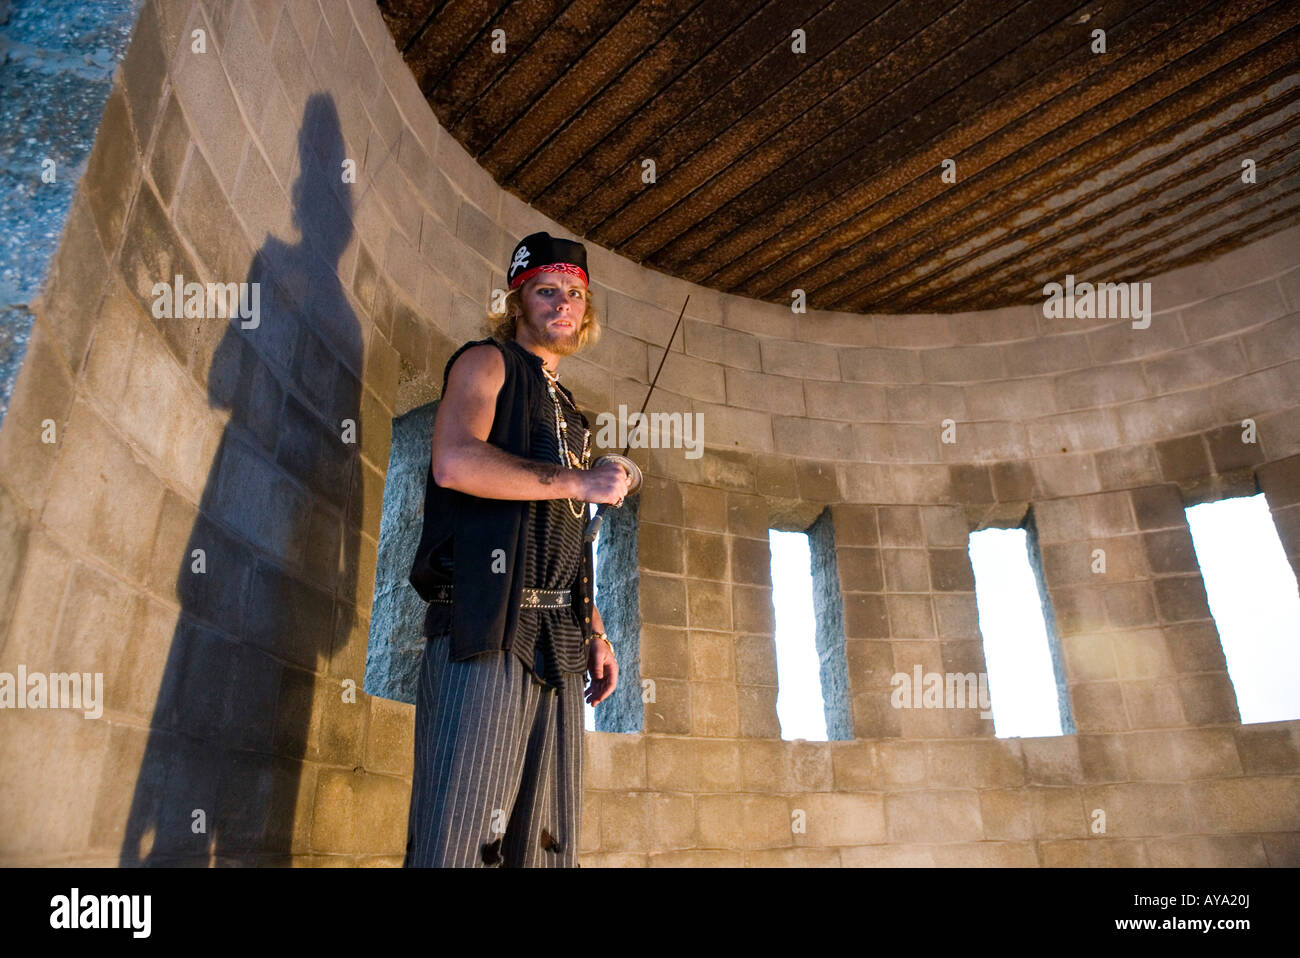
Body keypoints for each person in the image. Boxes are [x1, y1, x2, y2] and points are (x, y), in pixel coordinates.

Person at [402, 231, 632, 867]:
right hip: (485, 625)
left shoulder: (572, 415)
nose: (563, 303)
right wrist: (580, 481)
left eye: (575, 294)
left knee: (547, 846)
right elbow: (454, 461)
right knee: (463, 839)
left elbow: (565, 534)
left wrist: (596, 630)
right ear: (516, 299)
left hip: (558, 642)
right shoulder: (487, 362)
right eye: (547, 290)